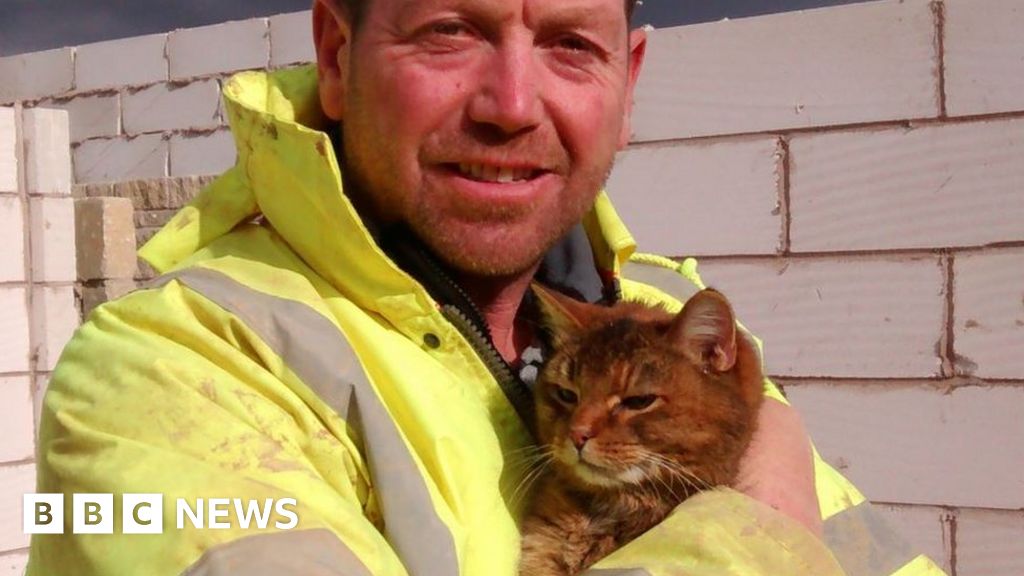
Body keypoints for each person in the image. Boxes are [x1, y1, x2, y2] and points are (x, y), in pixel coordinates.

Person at [28, 0, 945, 574]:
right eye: (450, 30)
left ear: (626, 86)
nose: (510, 104)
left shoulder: (663, 327)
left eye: (570, 44)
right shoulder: (164, 374)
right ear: (339, 56)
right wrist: (764, 517)